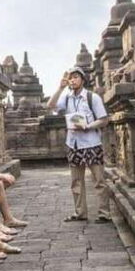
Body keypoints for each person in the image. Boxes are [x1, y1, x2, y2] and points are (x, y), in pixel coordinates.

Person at [47, 67, 111, 222]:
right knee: (76, 181)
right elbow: (50, 105)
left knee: (99, 181)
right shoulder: (67, 98)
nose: (73, 80)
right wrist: (60, 88)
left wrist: (87, 126)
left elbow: (104, 119)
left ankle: (104, 214)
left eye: (76, 77)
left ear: (82, 80)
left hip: (91, 143)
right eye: (71, 78)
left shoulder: (92, 97)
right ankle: (80, 213)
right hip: (73, 144)